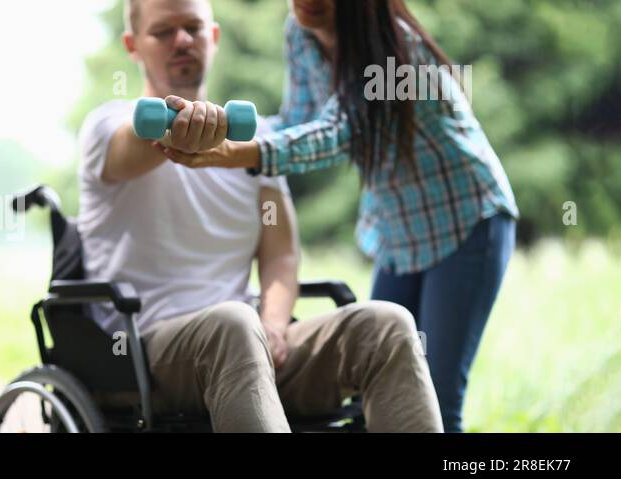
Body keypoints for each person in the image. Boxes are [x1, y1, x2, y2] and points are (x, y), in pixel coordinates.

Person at [77, 0, 442, 432]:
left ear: (212, 38)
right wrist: (179, 128)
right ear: (133, 45)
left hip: (252, 343)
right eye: (163, 32)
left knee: (386, 324)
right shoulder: (108, 127)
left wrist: (273, 323)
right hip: (146, 354)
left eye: (193, 28)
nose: (181, 41)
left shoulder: (254, 146)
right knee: (232, 323)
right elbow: (132, 147)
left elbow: (280, 252)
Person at [158, 0, 518, 432]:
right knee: (380, 386)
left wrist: (236, 154)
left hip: (468, 219)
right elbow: (299, 120)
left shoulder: (400, 54)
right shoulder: (301, 32)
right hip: (399, 230)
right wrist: (212, 125)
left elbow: (337, 132)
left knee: (437, 393)